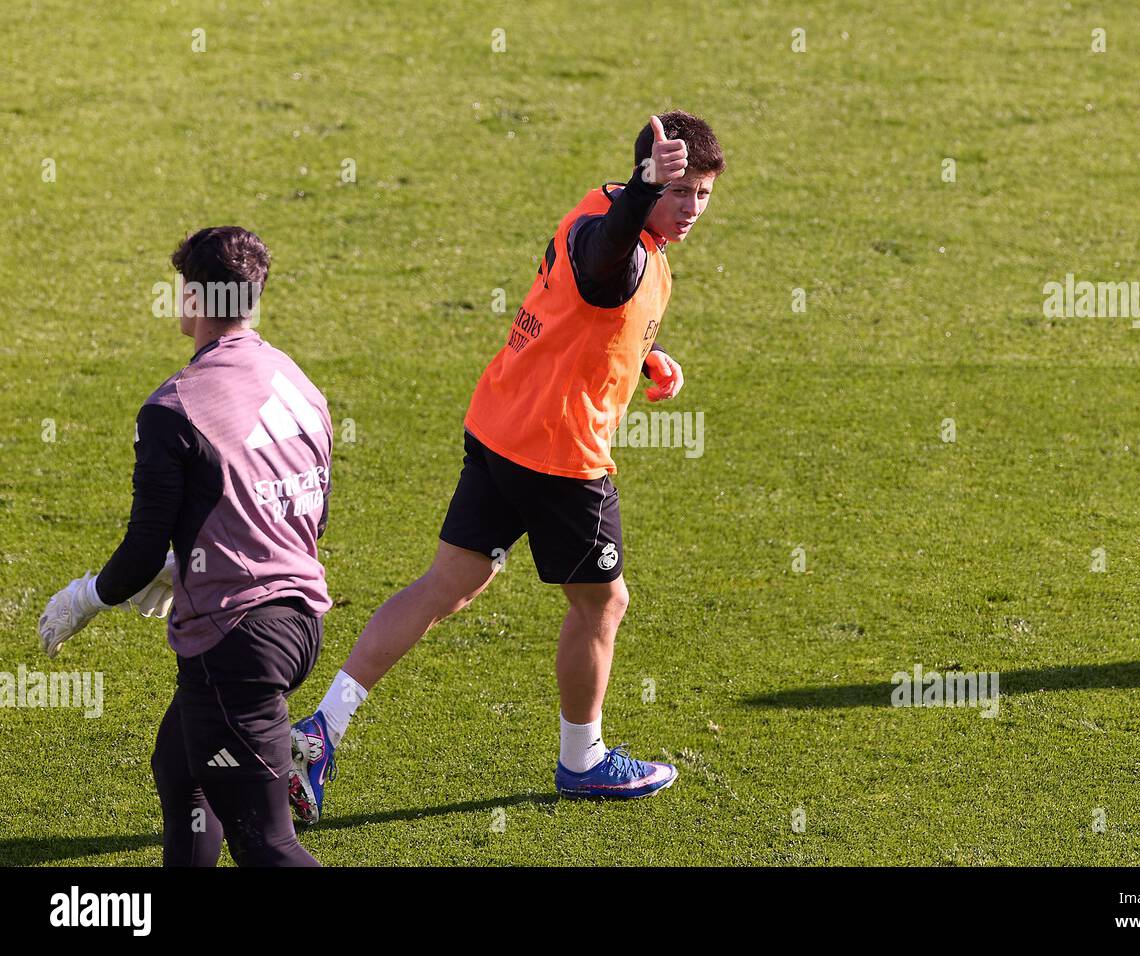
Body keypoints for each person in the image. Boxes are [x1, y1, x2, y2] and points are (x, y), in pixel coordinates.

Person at [289, 110, 726, 821]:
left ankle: (319, 731)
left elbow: (576, 304)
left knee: (450, 584)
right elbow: (605, 259)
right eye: (680, 194)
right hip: (559, 458)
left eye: (702, 196)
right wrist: (649, 195)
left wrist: (642, 356)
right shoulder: (619, 238)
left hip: (501, 425)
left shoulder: (598, 203)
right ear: (647, 177)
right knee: (602, 602)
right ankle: (583, 759)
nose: (691, 211)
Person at [39, 226, 332, 866]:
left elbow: (143, 547)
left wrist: (86, 598)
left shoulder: (173, 409)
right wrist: (187, 565)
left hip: (237, 644)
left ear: (194, 299)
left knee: (267, 843)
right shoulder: (299, 384)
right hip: (298, 623)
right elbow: (300, 515)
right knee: (183, 769)